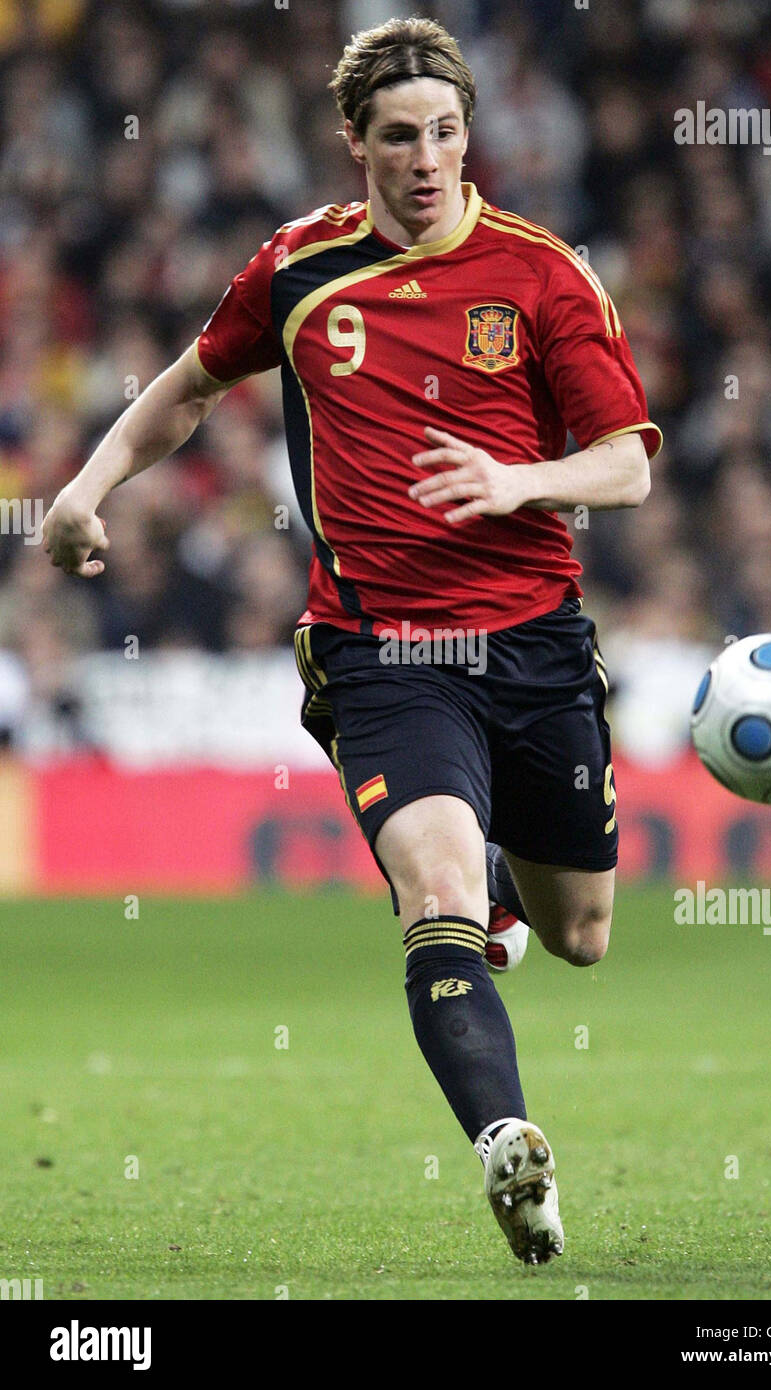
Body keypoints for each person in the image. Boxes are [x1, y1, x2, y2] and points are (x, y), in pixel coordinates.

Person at [41, 16, 661, 1265]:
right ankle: (507, 1146)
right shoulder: (296, 270)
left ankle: (498, 888)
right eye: (398, 137)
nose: (425, 158)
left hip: (536, 643)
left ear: (468, 134)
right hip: (380, 649)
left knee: (579, 931)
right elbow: (187, 388)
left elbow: (626, 469)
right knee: (431, 892)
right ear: (353, 144)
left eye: (443, 132)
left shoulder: (543, 276)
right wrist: (84, 488)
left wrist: (516, 481)